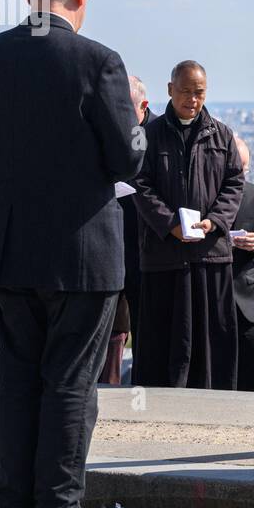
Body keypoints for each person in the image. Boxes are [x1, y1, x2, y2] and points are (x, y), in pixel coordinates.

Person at [0, 0, 142, 508]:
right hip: (81, 253)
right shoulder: (99, 61)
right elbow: (127, 159)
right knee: (70, 382)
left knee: (17, 380)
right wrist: (134, 119)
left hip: (7, 248)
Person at [130, 61, 246, 389]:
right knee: (163, 336)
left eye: (199, 93)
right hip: (164, 254)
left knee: (211, 338)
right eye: (185, 92)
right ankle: (159, 399)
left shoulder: (221, 135)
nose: (192, 100)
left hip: (210, 255)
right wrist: (169, 224)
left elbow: (234, 182)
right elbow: (140, 183)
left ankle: (214, 397)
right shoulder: (148, 135)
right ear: (170, 90)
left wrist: (215, 221)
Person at [105, 75, 155, 385]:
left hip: (148, 247)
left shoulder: (160, 134)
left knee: (147, 326)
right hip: (109, 244)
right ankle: (104, 387)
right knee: (108, 328)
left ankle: (145, 389)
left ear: (144, 106)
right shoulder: (106, 130)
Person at [230, 134, 254, 392]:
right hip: (212, 294)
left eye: (245, 169)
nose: (241, 174)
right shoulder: (204, 192)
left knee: (253, 374)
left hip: (247, 299)